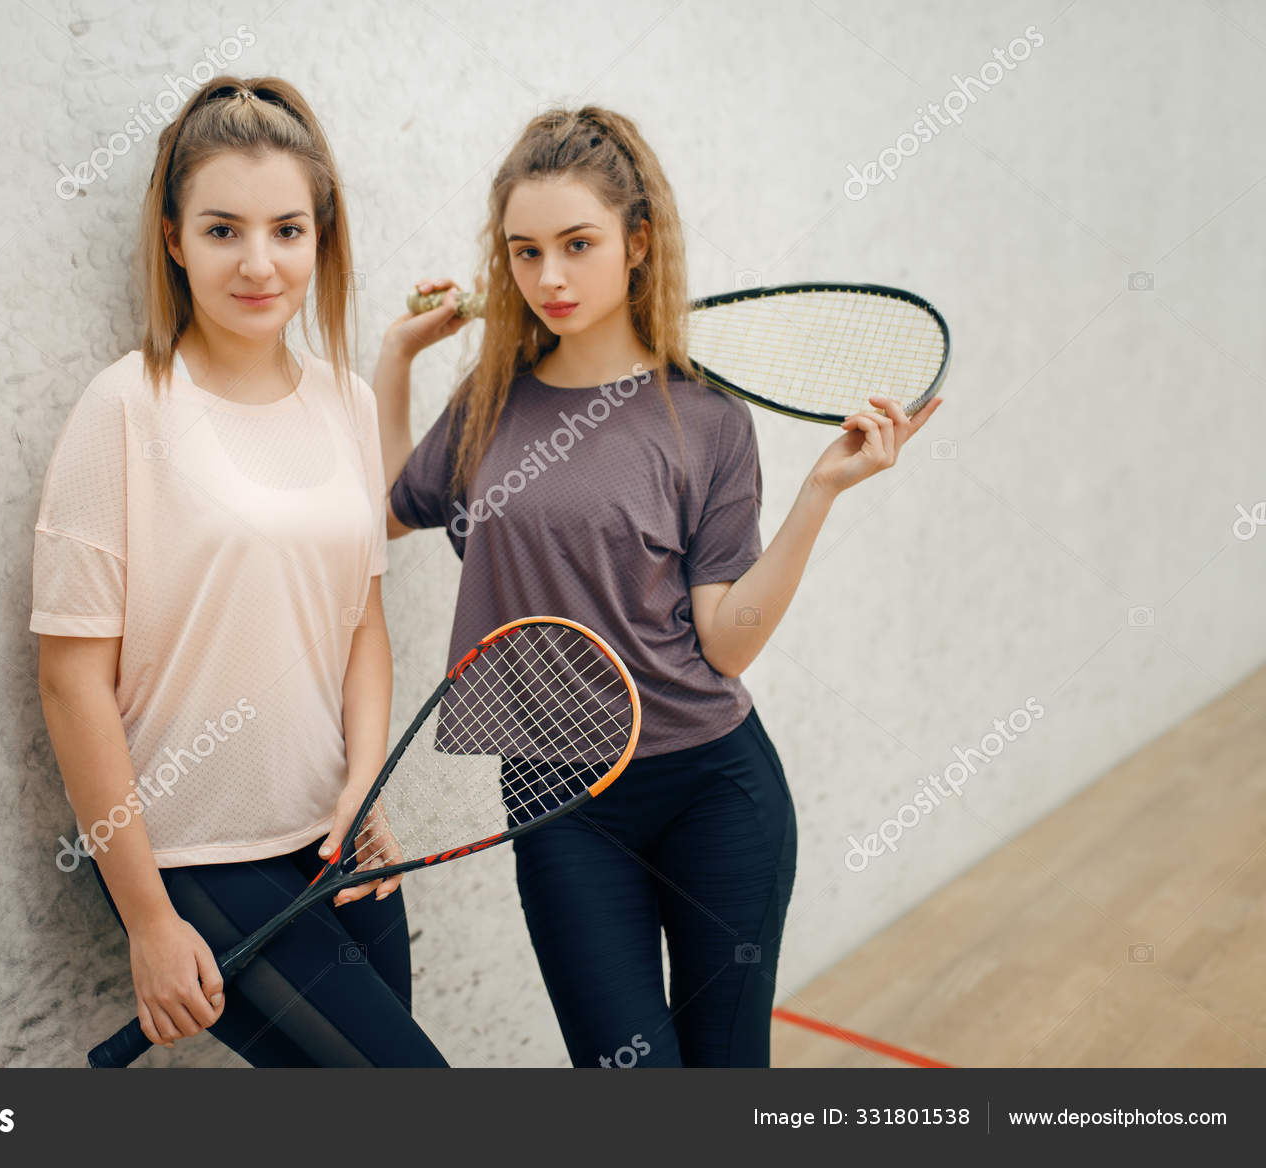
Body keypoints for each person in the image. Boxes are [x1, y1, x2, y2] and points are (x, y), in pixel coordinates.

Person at [375, 105, 943, 1067]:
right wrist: (394, 359)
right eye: (523, 252)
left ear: (636, 243)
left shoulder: (707, 421)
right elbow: (391, 507)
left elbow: (723, 644)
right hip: (557, 800)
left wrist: (819, 495)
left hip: (713, 788)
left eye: (577, 244)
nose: (548, 277)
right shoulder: (490, 398)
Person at [31, 75, 446, 1067]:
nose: (259, 263)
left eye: (287, 231)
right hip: (188, 859)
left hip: (338, 841)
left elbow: (362, 624)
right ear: (173, 238)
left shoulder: (346, 402)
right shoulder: (124, 409)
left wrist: (361, 785)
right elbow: (69, 678)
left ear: (320, 239)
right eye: (223, 230)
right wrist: (146, 916)